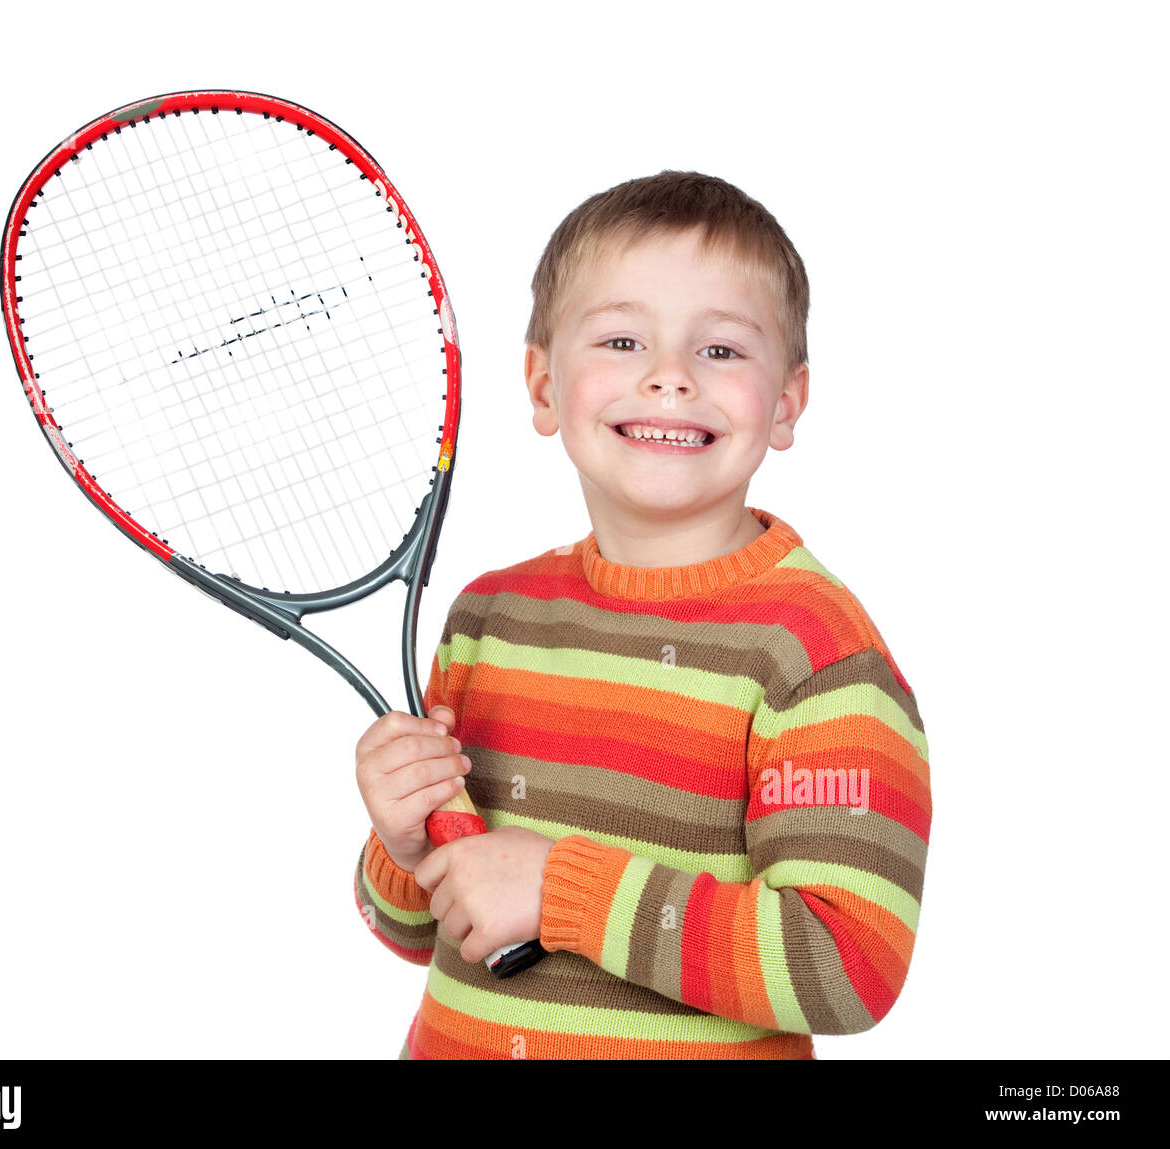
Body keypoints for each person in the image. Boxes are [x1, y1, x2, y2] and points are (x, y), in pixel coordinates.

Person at [353, 171, 931, 1060]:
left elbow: (846, 964)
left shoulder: (814, 653)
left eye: (723, 351)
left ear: (786, 402)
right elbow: (415, 928)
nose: (669, 378)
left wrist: (564, 890)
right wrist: (399, 837)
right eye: (623, 340)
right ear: (544, 388)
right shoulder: (490, 618)